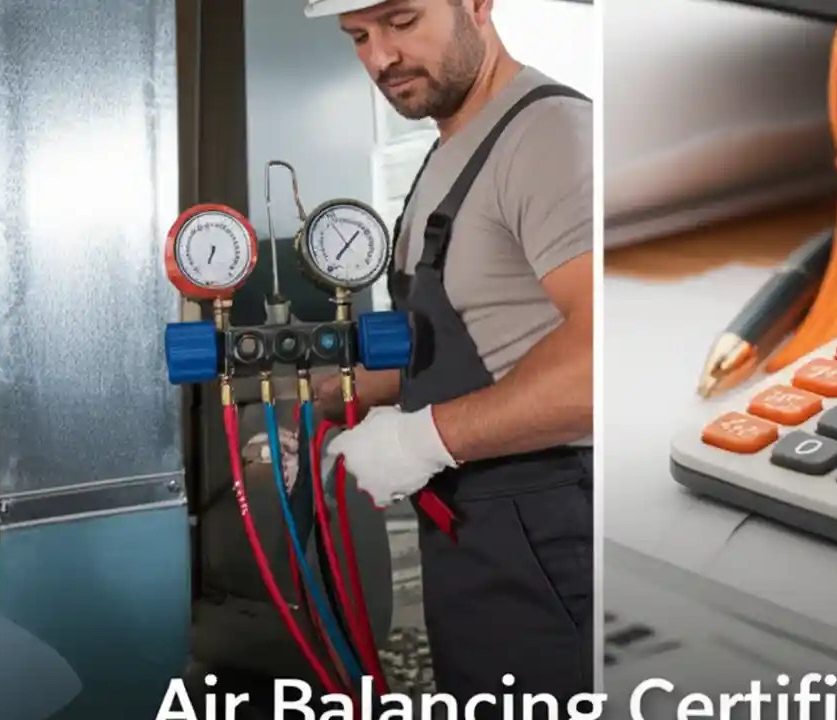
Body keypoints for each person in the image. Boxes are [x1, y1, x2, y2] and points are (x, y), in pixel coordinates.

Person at [303, 0, 594, 709]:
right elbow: (448, 339)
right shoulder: (451, 149)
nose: (380, 58)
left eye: (401, 22)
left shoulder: (549, 134)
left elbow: (602, 363)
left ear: (478, 5)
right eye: (359, 37)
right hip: (477, 525)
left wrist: (419, 439)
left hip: (555, 527)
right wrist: (314, 404)